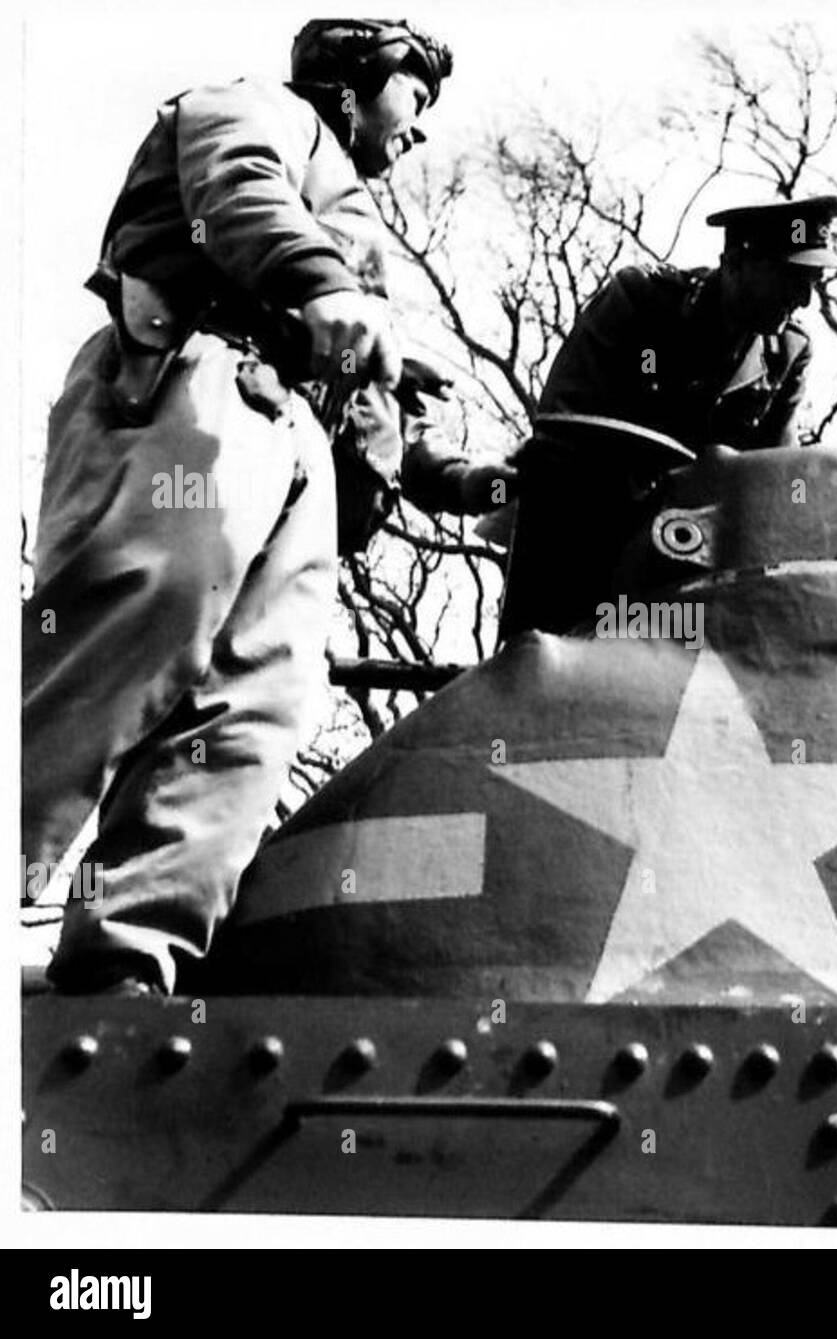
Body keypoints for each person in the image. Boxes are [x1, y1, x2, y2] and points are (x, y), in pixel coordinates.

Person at [23, 19, 504, 996]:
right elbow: (237, 180)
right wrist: (316, 280)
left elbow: (371, 408)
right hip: (196, 382)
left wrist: (466, 482)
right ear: (352, 82)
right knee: (132, 631)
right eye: (415, 100)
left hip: (293, 447)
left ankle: (127, 963)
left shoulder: (348, 212)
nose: (420, 132)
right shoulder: (263, 110)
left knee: (253, 711)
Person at [535, 194, 837, 450]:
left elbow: (778, 472)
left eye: (814, 281)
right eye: (791, 278)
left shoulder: (789, 352)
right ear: (735, 263)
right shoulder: (641, 301)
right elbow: (561, 420)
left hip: (705, 520)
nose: (805, 299)